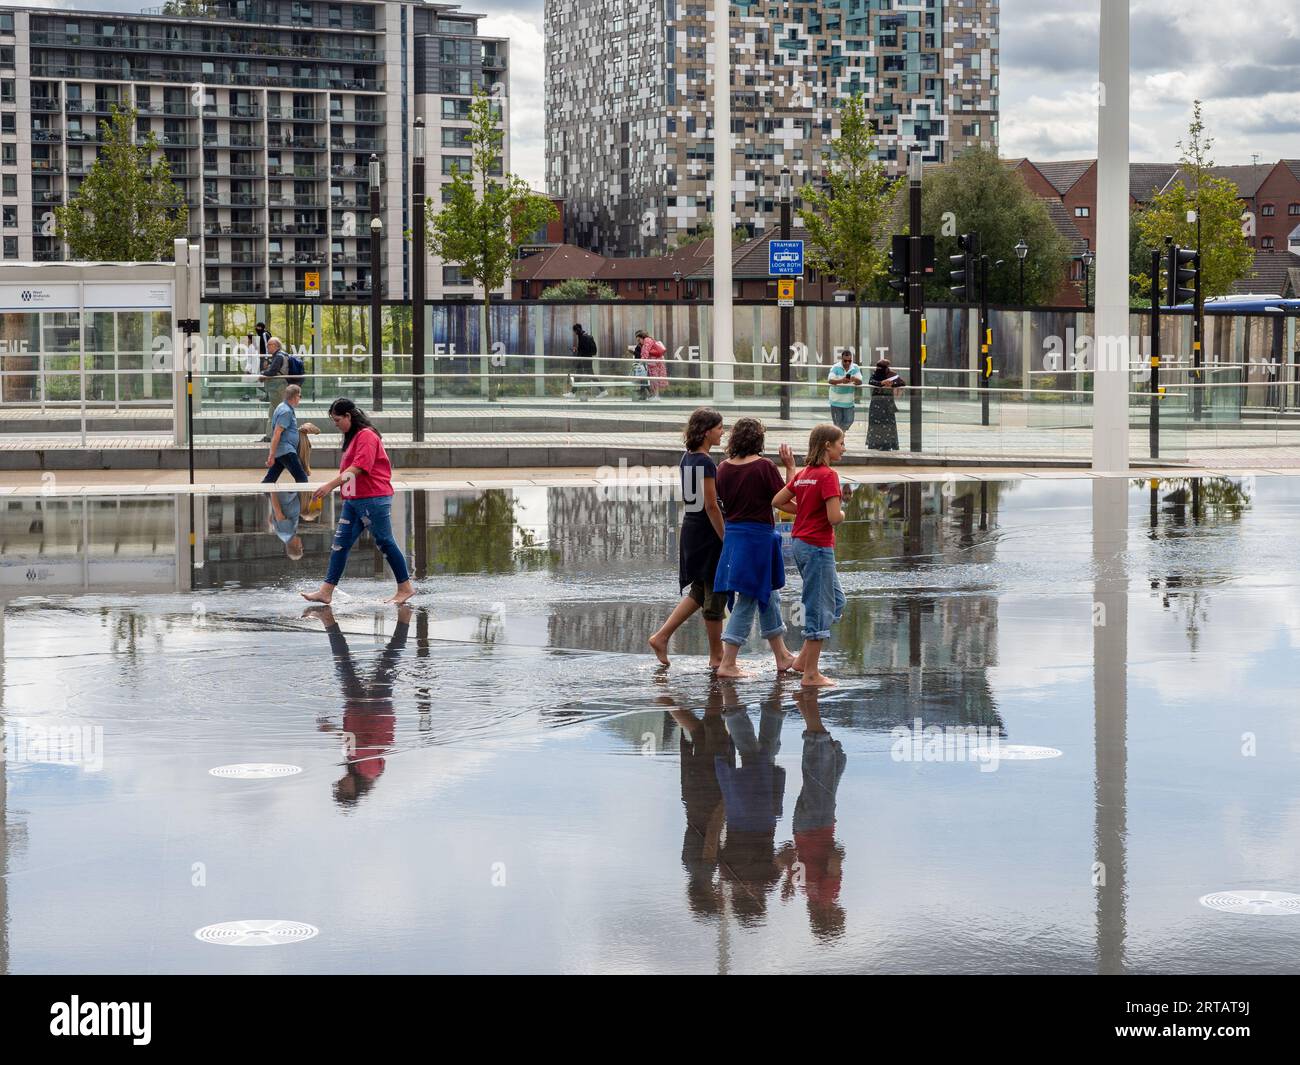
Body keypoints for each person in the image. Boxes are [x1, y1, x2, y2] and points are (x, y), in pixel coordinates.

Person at [303, 397, 416, 606]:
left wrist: (330, 485)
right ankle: (326, 591)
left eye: (337, 420)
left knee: (384, 541)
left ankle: (405, 587)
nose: (336, 425)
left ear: (348, 416)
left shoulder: (367, 436)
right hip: (354, 500)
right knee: (340, 544)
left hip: (373, 497)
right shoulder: (354, 437)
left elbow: (359, 468)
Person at [712, 417, 799, 678]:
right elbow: (784, 498)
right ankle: (728, 663)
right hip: (758, 539)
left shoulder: (723, 468)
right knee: (750, 596)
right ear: (758, 439)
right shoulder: (764, 466)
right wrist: (791, 468)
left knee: (768, 594)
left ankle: (781, 655)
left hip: (735, 537)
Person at [306, 604, 411, 807]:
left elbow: (353, 742)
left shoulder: (357, 769)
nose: (340, 783)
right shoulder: (370, 771)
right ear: (356, 792)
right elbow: (361, 744)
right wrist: (332, 730)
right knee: (387, 662)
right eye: (343, 789)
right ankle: (405, 618)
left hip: (359, 710)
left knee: (345, 664)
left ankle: (327, 618)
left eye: (338, 787)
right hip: (375, 710)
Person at [648, 407, 726, 669]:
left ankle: (661, 636)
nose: (722, 432)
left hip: (691, 527)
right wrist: (725, 538)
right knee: (714, 591)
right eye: (719, 428)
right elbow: (711, 505)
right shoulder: (705, 462)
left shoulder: (687, 457)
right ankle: (717, 656)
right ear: (706, 432)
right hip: (706, 531)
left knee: (699, 589)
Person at [772, 424, 848, 688]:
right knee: (818, 606)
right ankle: (811, 675)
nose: (844, 448)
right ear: (827, 445)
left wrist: (803, 510)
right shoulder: (828, 475)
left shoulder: (804, 474)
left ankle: (803, 660)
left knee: (836, 601)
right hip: (817, 546)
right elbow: (833, 517)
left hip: (801, 543)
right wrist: (843, 513)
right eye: (841, 443)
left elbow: (778, 500)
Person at [263, 383, 311, 484]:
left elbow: (285, 430)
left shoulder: (283, 407)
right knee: (302, 478)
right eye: (300, 396)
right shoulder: (286, 411)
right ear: (295, 396)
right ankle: (304, 500)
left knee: (269, 480)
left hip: (282, 450)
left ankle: (262, 496)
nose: (300, 399)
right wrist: (271, 455)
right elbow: (277, 433)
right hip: (286, 450)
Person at [866, 358, 905, 451]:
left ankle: (887, 444)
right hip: (876, 403)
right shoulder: (875, 374)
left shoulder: (892, 374)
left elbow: (902, 383)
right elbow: (871, 381)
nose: (879, 370)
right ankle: (875, 444)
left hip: (888, 403)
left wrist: (891, 384)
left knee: (888, 424)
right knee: (875, 423)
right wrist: (881, 383)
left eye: (882, 368)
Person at [257, 336, 288, 442]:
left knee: (278, 412)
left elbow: (272, 371)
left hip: (278, 388)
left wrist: (262, 374)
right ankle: (269, 436)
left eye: (269, 345)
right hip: (277, 388)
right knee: (272, 412)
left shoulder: (279, 356)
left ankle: (280, 436)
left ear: (275, 346)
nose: (267, 347)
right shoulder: (278, 356)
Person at [827, 349, 863, 434]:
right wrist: (841, 381)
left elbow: (860, 382)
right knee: (837, 424)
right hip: (836, 401)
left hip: (849, 401)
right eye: (845, 360)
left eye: (849, 361)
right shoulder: (835, 367)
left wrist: (854, 379)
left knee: (849, 420)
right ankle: (840, 441)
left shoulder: (855, 367)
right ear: (841, 359)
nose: (847, 363)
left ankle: (840, 437)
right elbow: (830, 380)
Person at [571, 323, 605, 397]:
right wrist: (577, 349)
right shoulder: (585, 335)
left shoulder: (582, 337)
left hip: (585, 359)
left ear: (577, 330)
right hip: (586, 359)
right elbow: (584, 349)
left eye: (575, 331)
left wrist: (576, 351)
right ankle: (572, 393)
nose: (575, 333)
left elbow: (583, 350)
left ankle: (603, 390)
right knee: (579, 375)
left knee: (590, 376)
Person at [636, 328, 668, 398]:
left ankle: (655, 396)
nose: (639, 342)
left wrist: (640, 363)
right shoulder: (650, 340)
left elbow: (645, 354)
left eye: (639, 340)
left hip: (654, 363)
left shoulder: (646, 341)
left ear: (642, 337)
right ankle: (655, 395)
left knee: (654, 380)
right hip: (657, 362)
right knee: (655, 379)